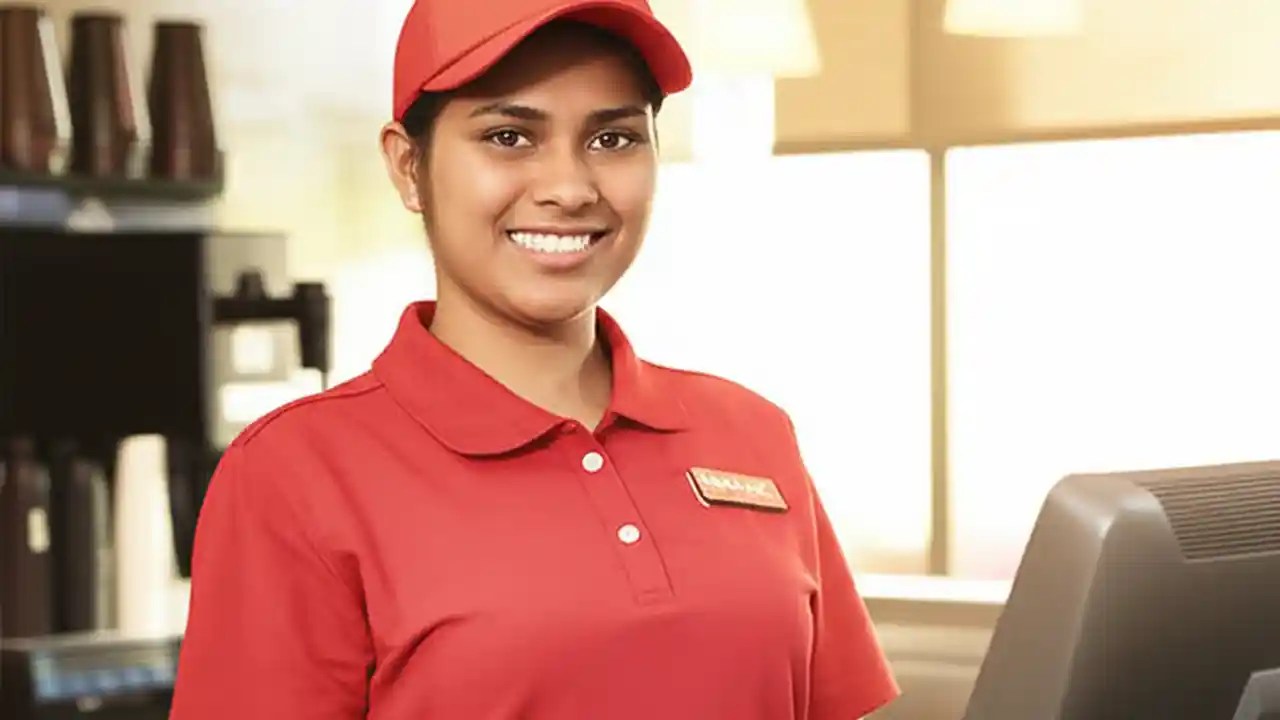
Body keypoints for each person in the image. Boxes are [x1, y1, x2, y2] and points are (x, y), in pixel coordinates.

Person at [169, 0, 899, 718]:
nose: (570, 189)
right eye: (510, 136)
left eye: (612, 139)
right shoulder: (295, 474)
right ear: (407, 166)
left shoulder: (752, 432)